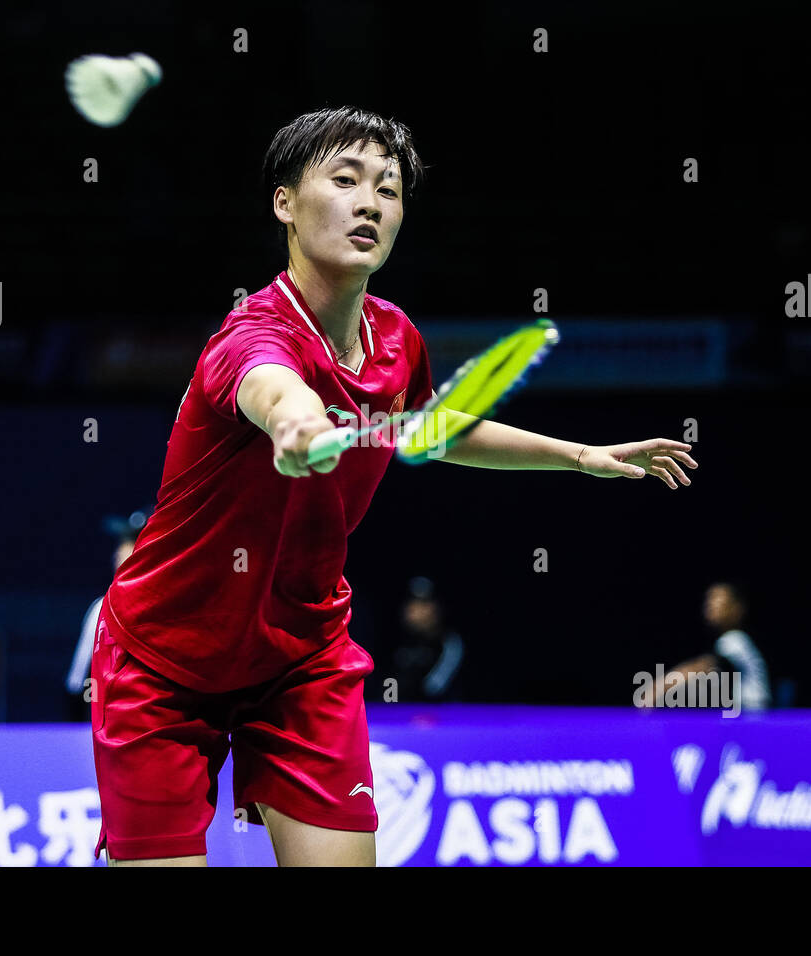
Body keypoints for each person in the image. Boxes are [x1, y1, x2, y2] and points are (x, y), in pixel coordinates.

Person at [91, 105, 699, 867]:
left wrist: (578, 455)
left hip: (300, 657)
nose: (370, 202)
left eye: (389, 188)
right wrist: (300, 430)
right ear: (285, 202)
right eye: (344, 180)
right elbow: (276, 392)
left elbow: (429, 430)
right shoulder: (252, 335)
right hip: (164, 660)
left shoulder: (395, 340)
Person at [65, 510, 148, 721]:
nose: (118, 553)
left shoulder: (105, 607)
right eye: (120, 545)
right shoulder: (101, 607)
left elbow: (77, 687)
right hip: (119, 726)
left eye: (129, 543)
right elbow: (79, 682)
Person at [653, 581, 771, 712]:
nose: (711, 605)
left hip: (753, 716)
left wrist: (656, 690)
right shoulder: (729, 641)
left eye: (719, 601)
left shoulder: (736, 640)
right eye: (709, 601)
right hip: (745, 714)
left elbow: (701, 666)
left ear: (737, 609)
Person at [390, 576, 465, 702]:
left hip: (445, 716)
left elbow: (434, 689)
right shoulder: (397, 643)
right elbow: (389, 690)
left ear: (437, 609)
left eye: (424, 604)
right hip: (400, 717)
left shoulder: (450, 644)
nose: (415, 610)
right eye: (412, 603)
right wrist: (391, 707)